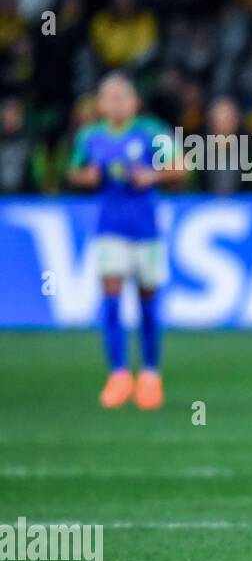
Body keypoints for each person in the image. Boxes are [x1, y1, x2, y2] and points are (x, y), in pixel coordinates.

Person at [67, 73, 184, 410]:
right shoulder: (90, 137)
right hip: (110, 230)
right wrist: (86, 177)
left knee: (148, 304)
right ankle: (118, 375)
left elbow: (181, 166)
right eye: (109, 98)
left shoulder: (150, 131)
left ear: (135, 102)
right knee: (113, 303)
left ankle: (150, 375)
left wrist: (152, 175)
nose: (116, 104)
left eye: (122, 97)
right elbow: (74, 172)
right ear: (100, 104)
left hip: (146, 231)